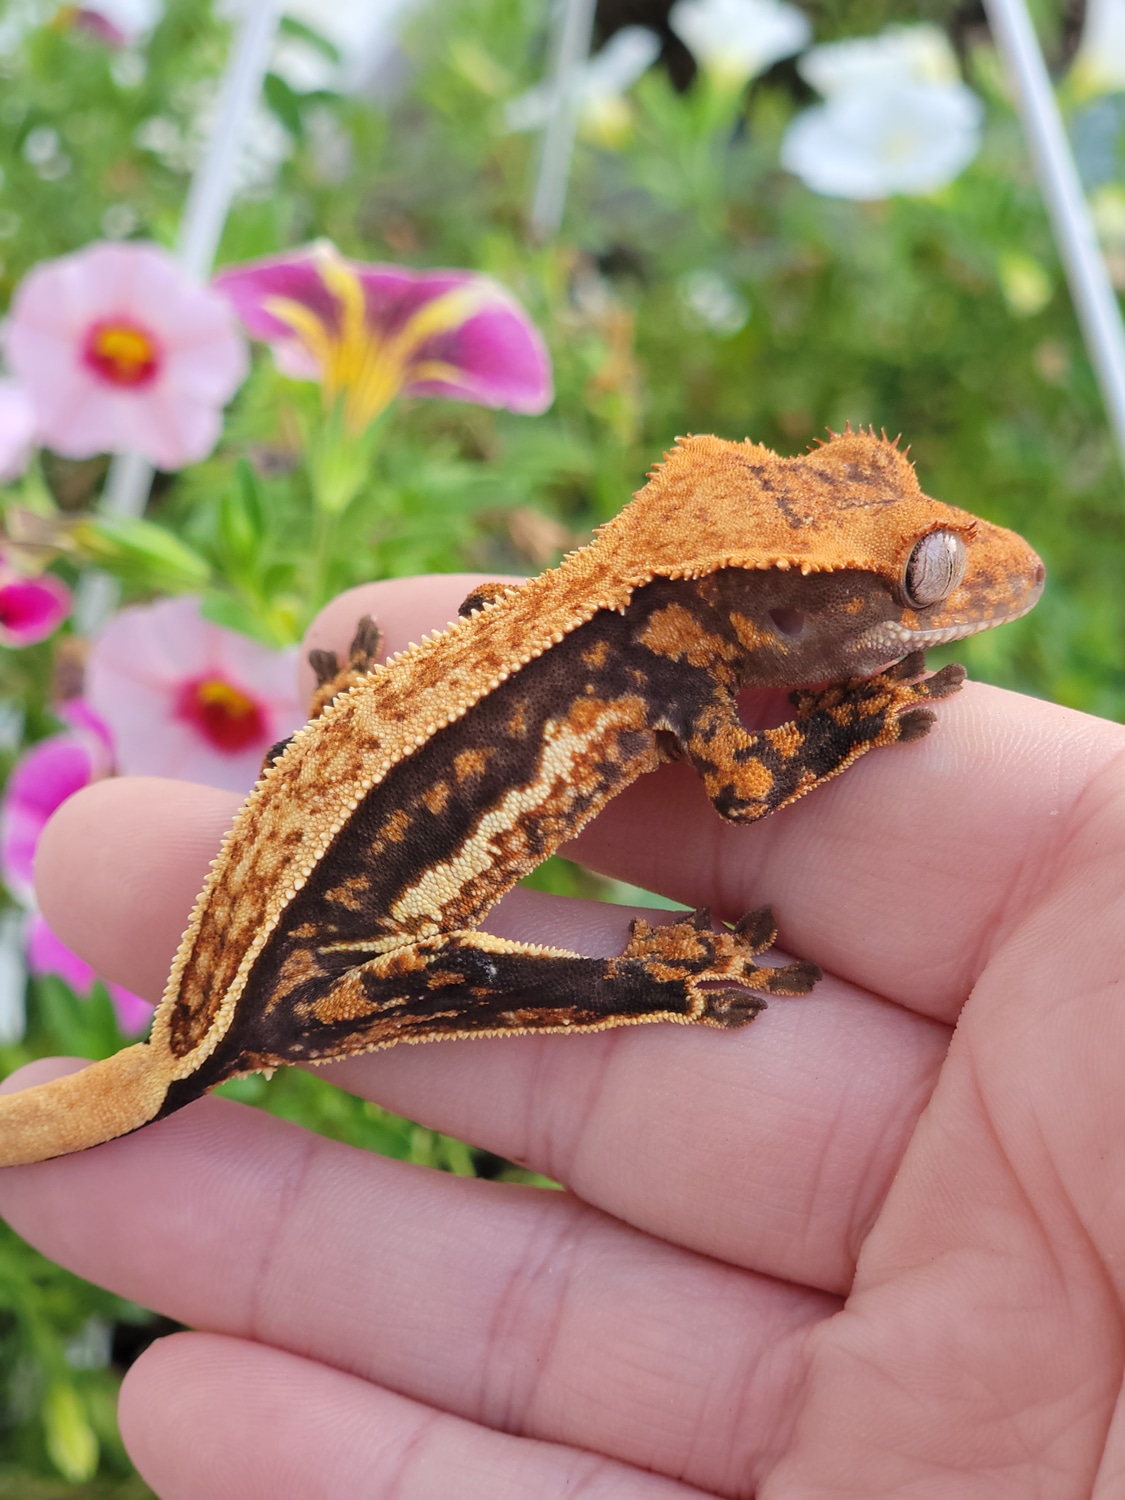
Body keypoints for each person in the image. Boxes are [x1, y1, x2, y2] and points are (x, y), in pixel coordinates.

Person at [2, 572, 1123, 1499]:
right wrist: (842, 726)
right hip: (305, 966)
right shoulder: (650, 647)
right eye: (920, 576)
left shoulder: (596, 619)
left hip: (294, 895)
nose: (975, 579)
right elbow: (750, 785)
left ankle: (650, 976)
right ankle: (660, 986)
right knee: (457, 975)